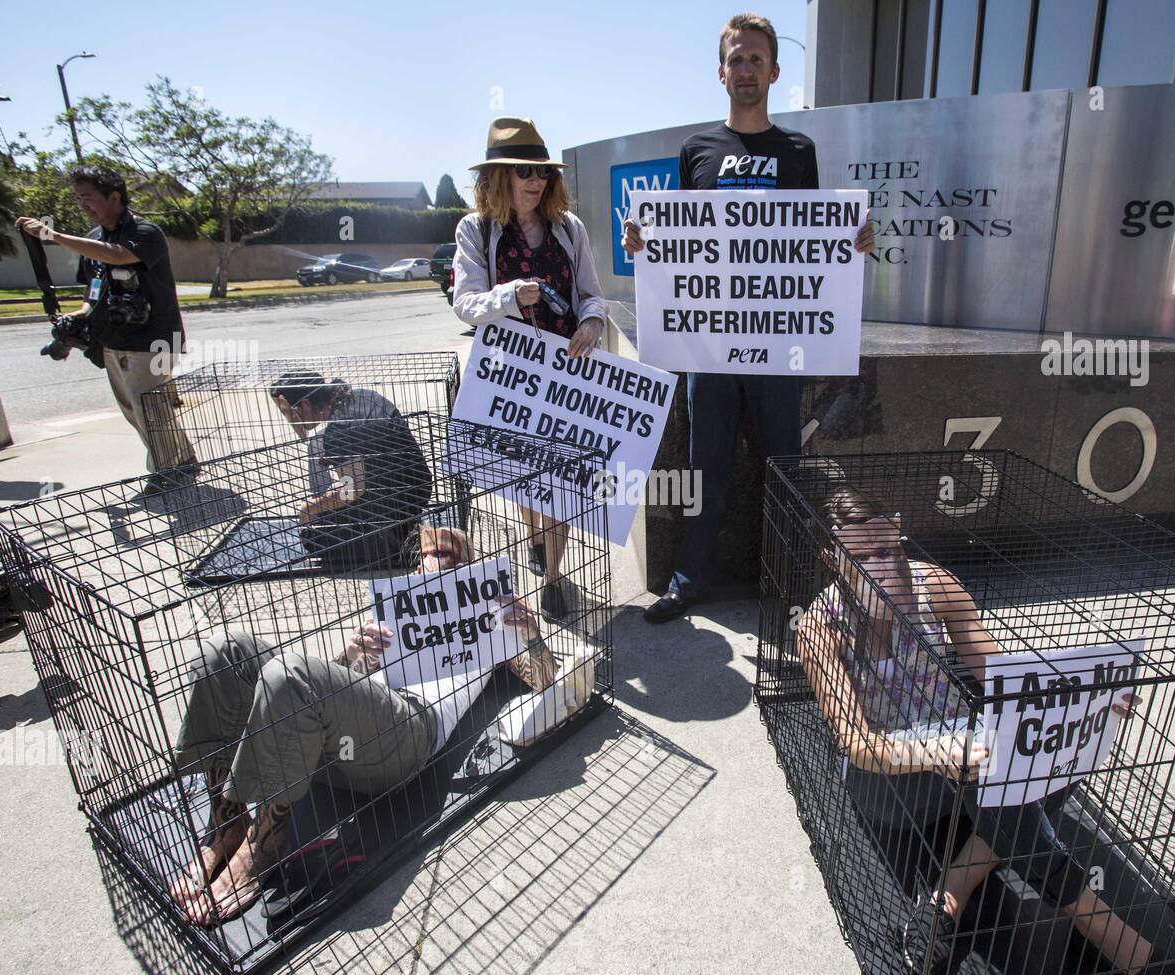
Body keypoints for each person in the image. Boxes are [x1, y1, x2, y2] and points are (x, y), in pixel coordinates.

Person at [797, 484, 1157, 975]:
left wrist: (1083, 705)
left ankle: (948, 894)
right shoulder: (820, 627)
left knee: (1051, 757)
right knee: (1010, 790)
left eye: (888, 549)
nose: (882, 566)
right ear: (832, 558)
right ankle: (1115, 938)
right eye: (863, 556)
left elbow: (1000, 676)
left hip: (966, 753)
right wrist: (931, 750)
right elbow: (858, 744)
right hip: (890, 779)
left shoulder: (932, 585)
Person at [169, 523, 561, 927]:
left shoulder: (490, 614)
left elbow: (547, 679)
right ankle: (228, 823)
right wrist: (355, 653)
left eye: (441, 554)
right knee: (225, 651)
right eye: (423, 554)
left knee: (292, 674)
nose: (428, 563)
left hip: (408, 733)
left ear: (466, 563)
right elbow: (329, 686)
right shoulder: (401, 603)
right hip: (343, 741)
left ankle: (264, 846)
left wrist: (531, 634)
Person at [623, 13, 876, 624]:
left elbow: (810, 242)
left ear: (774, 71)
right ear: (720, 71)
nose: (745, 69)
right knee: (706, 464)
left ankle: (786, 582)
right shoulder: (696, 152)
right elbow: (685, 245)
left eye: (755, 59)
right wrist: (646, 244)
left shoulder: (798, 152)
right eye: (735, 59)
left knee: (781, 467)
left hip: (780, 346)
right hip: (708, 346)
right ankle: (688, 580)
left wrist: (851, 242)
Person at [451, 116, 607, 622]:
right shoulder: (475, 230)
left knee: (558, 481)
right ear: (500, 177)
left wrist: (591, 323)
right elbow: (465, 304)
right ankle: (537, 542)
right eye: (523, 171)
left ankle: (554, 577)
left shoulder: (569, 228)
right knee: (525, 483)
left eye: (541, 171)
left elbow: (592, 295)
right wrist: (508, 296)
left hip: (563, 374)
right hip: (508, 376)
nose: (535, 181)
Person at [15, 165, 196, 494]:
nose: (83, 204)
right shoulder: (94, 240)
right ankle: (182, 460)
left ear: (114, 198)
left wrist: (52, 236)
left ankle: (168, 471)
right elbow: (94, 290)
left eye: (88, 198)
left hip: (153, 338)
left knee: (149, 409)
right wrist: (79, 314)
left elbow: (120, 256)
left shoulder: (144, 233)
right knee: (136, 410)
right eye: (78, 198)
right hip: (113, 338)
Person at [269, 372, 434, 571]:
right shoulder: (363, 395)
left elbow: (352, 490)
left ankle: (392, 544)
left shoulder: (337, 430)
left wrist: (309, 508)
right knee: (327, 509)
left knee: (314, 535)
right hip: (417, 492)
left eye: (289, 413)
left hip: (389, 508)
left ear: (305, 404)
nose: (289, 420)